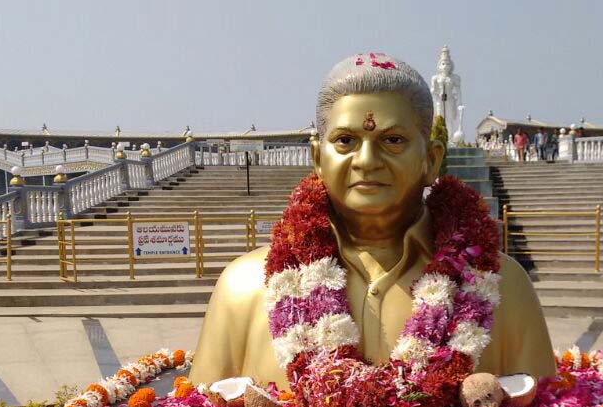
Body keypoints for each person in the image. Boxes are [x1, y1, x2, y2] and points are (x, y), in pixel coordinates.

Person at [191, 53, 556, 385]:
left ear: (431, 159)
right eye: (346, 140)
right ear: (318, 159)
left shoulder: (503, 289)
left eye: (393, 140)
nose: (367, 160)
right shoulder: (243, 288)